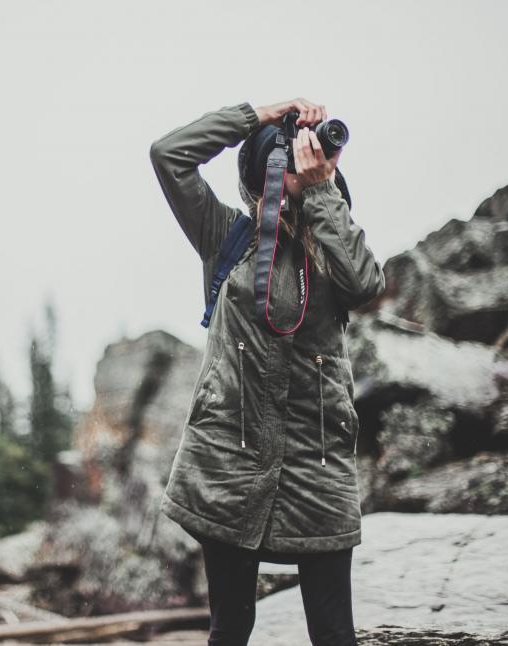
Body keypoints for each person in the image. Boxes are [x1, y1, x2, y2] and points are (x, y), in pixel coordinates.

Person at [148, 98, 386, 646]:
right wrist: (258, 114)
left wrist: (322, 190)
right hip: (229, 463)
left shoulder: (332, 247)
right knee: (230, 629)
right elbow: (169, 155)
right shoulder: (225, 236)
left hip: (316, 466)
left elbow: (369, 285)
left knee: (333, 634)